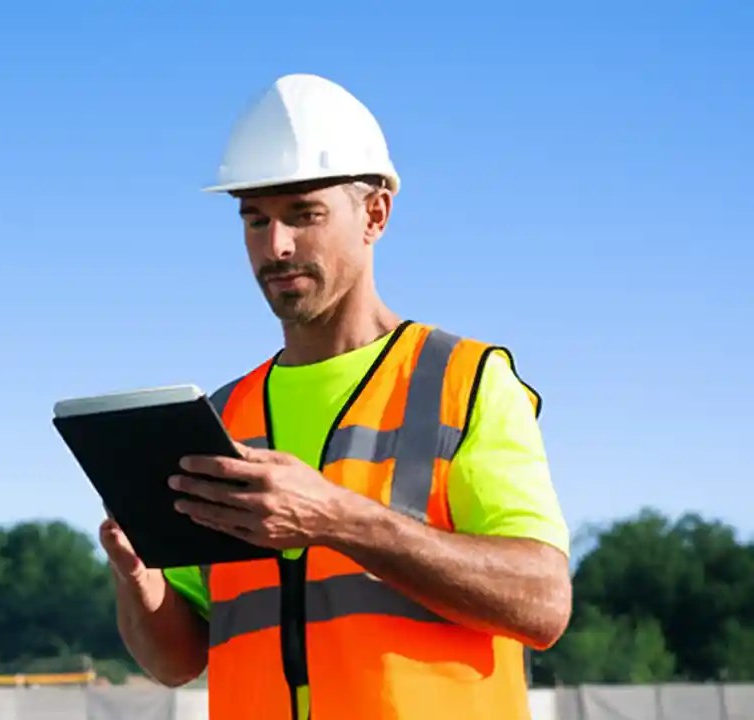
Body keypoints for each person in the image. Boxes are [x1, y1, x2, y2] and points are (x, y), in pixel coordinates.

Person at [98, 73, 572, 720]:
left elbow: (543, 603)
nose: (276, 246)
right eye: (255, 219)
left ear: (374, 214)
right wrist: (136, 575)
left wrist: (336, 519)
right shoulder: (221, 416)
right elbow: (175, 659)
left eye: (303, 214)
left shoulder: (465, 381)